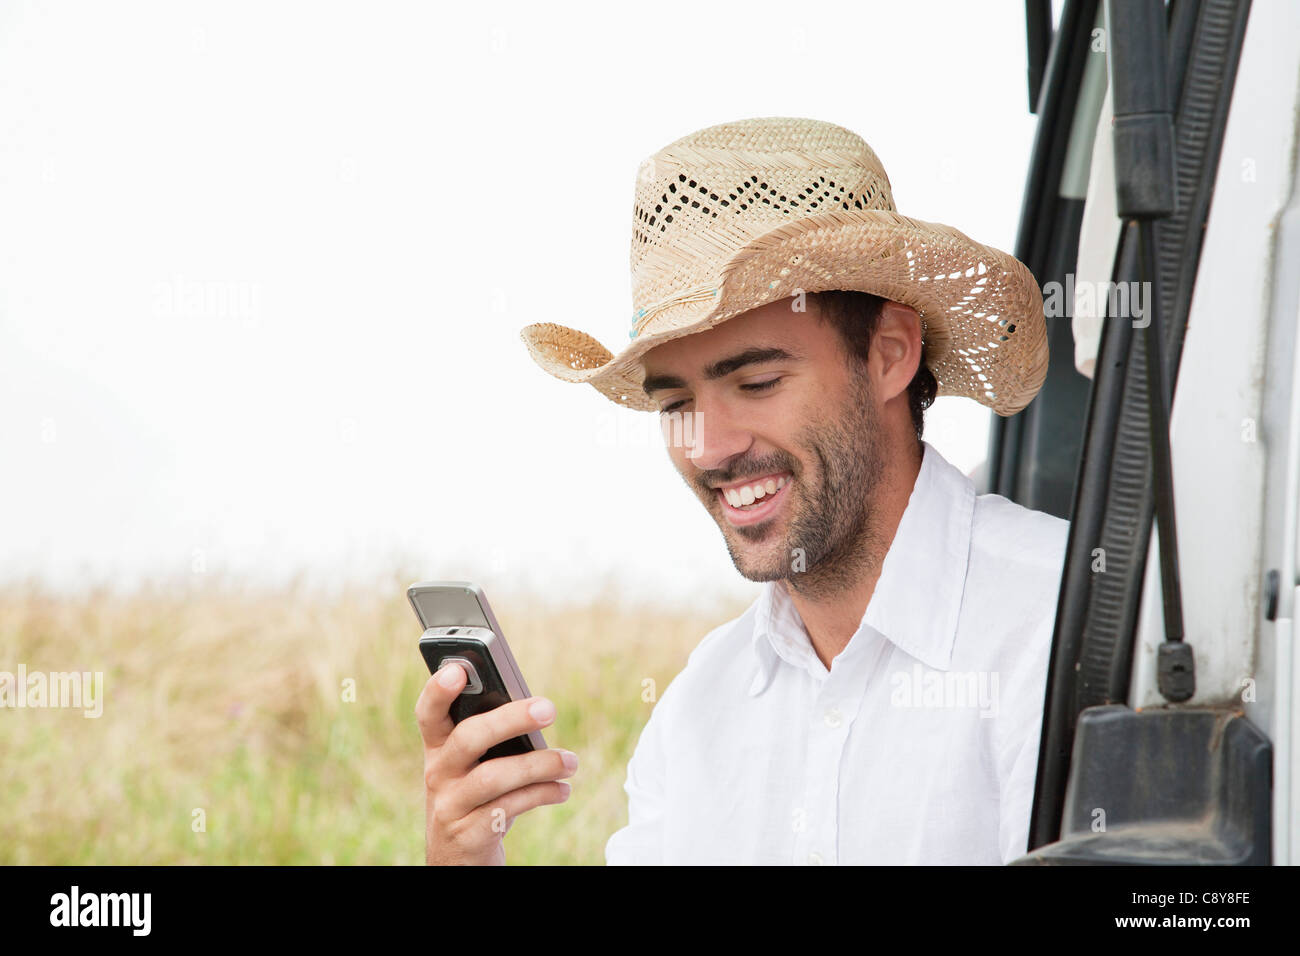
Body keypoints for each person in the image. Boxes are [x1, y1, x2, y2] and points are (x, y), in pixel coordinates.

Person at [417, 116, 1068, 865]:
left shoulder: (1057, 626)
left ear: (890, 354)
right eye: (675, 406)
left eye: (757, 382)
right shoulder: (699, 712)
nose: (712, 446)